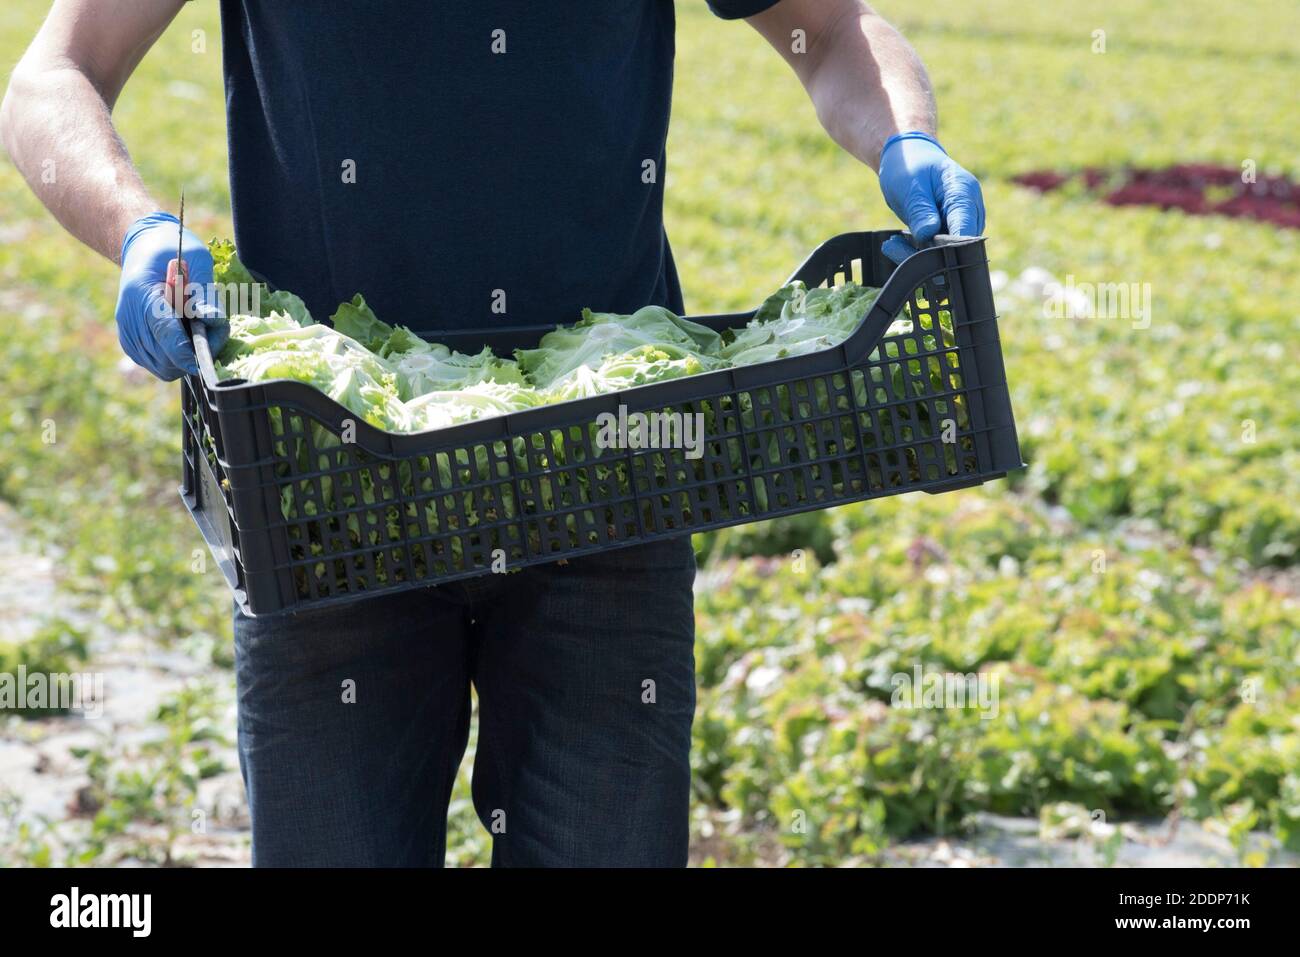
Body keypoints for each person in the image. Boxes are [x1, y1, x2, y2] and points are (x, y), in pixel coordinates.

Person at [1, 0, 984, 867]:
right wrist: (137, 228)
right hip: (327, 495)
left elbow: (833, 31)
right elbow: (55, 72)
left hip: (607, 478)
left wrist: (908, 141)